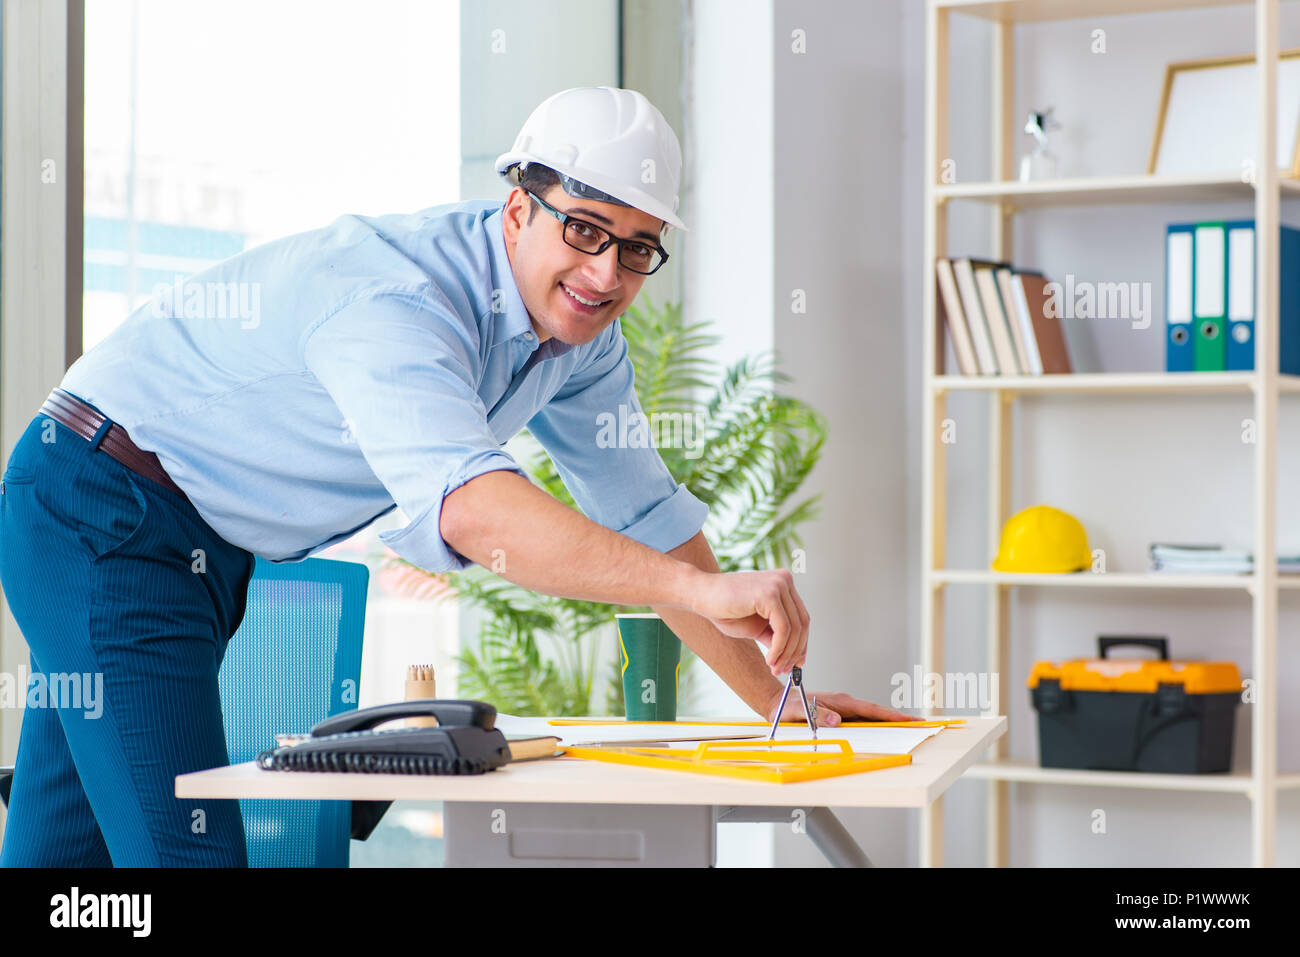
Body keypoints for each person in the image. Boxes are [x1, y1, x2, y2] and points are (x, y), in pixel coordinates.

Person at [0, 86, 910, 867]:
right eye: (585, 229)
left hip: (194, 540)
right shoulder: (393, 300)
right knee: (186, 854)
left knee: (63, 862)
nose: (606, 273)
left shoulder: (575, 341)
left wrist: (781, 706)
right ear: (518, 208)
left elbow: (643, 513)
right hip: (103, 508)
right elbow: (476, 513)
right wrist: (702, 589)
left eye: (636, 247)